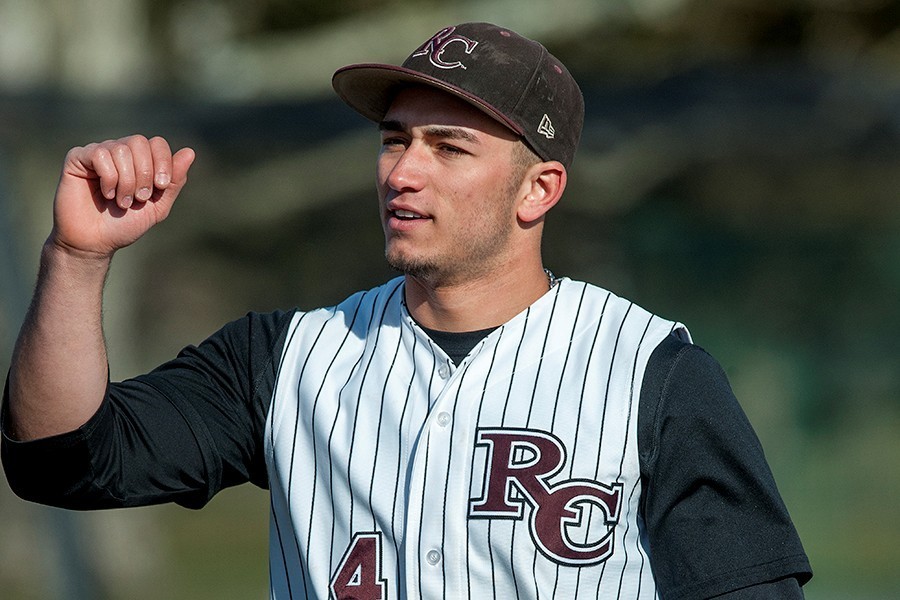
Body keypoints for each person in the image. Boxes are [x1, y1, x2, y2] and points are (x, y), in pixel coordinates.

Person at [2, 22, 811, 599]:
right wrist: (77, 259)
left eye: (448, 147)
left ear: (540, 189)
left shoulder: (651, 372)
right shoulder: (285, 358)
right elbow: (61, 459)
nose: (403, 171)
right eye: (396, 139)